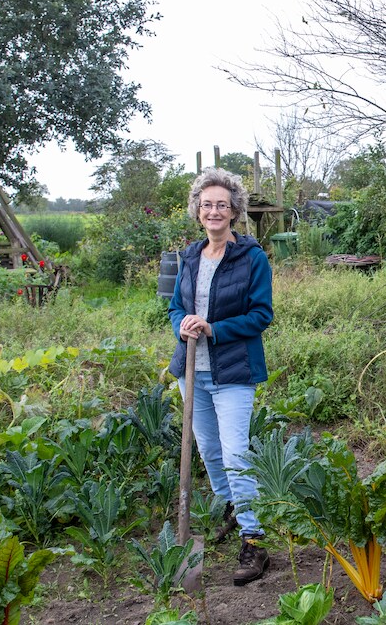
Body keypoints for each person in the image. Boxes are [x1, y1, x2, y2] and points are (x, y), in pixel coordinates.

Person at [168, 167, 274, 586]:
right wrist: (183, 325)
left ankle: (254, 538)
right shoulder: (191, 256)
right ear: (198, 211)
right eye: (206, 204)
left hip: (233, 370)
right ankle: (231, 508)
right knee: (209, 449)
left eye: (222, 205)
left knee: (235, 454)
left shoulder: (252, 258)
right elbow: (176, 306)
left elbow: (261, 315)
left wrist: (213, 328)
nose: (214, 211)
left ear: (234, 212)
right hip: (192, 368)